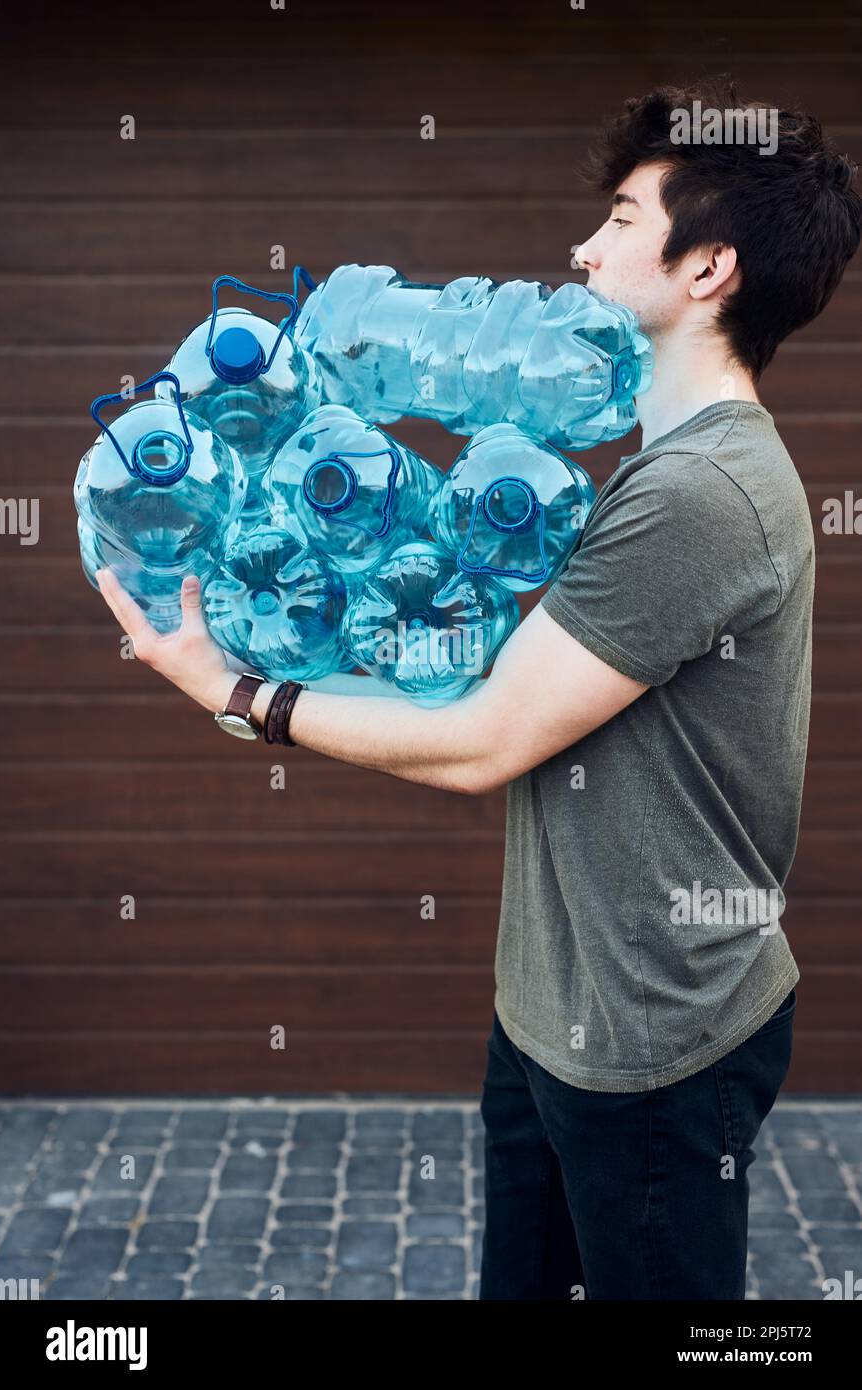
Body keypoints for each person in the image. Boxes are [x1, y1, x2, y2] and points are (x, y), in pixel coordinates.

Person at [95, 78, 861, 1300]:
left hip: (651, 1046)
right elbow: (481, 667)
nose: (579, 247)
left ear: (708, 266)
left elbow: (483, 741)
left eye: (619, 217)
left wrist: (239, 693)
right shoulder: (651, 470)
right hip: (552, 1008)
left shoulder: (695, 497)